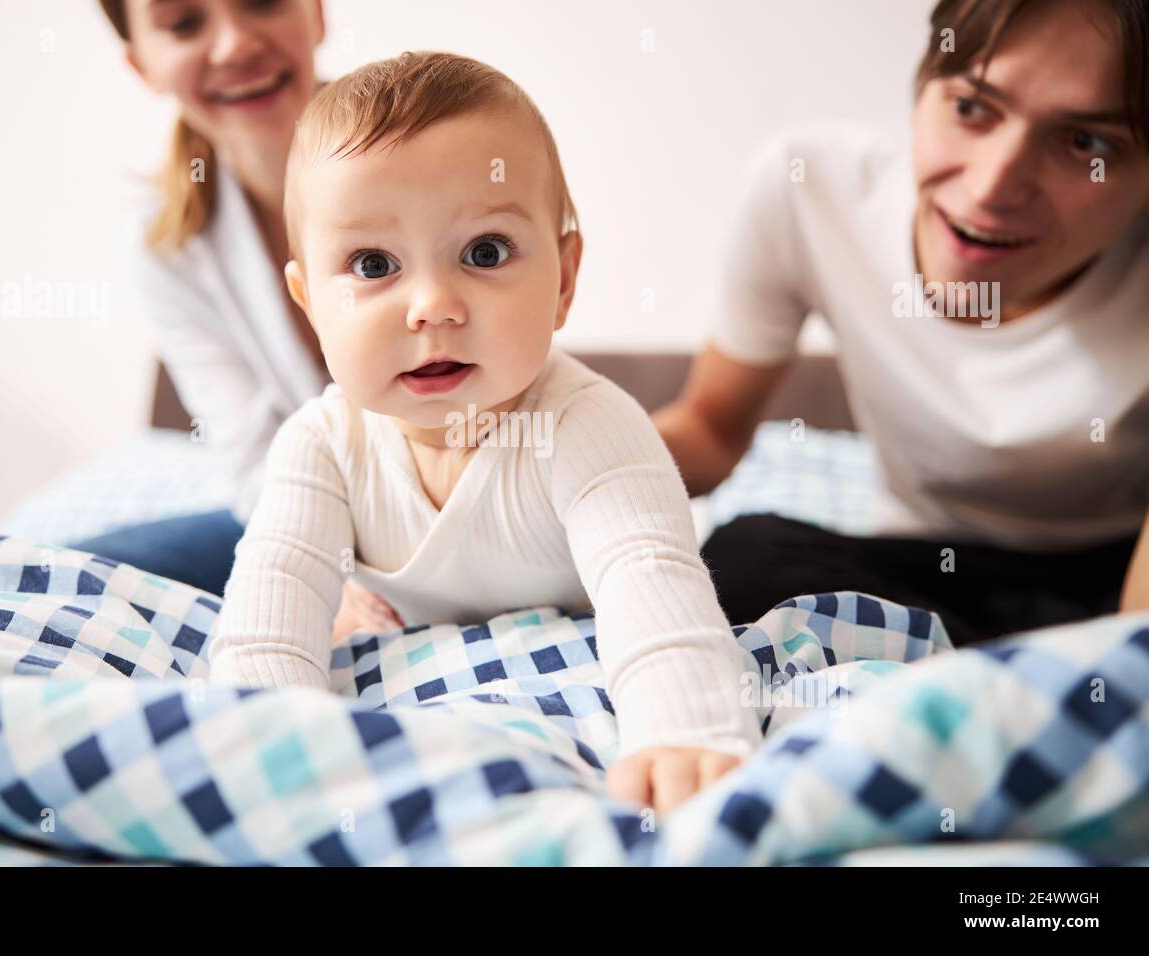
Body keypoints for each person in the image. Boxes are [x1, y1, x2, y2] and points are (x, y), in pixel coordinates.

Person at [207, 52, 763, 815]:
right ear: (308, 302)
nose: (432, 306)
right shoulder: (322, 444)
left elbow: (649, 581)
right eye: (373, 264)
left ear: (563, 281)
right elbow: (269, 617)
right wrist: (263, 749)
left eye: (485, 252)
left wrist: (688, 732)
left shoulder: (585, 427)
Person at [655, 0, 1149, 645]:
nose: (993, 187)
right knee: (743, 559)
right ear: (923, 88)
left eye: (1086, 142)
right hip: (923, 564)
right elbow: (711, 429)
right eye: (972, 107)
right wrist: (536, 478)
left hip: (1120, 568)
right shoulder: (810, 188)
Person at [84, 0, 402, 638]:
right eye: (183, 24)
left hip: (450, 496)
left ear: (314, 12)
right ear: (141, 64)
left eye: (260, 1)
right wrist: (321, 574)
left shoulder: (420, 153)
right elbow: (254, 457)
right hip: (305, 511)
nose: (233, 45)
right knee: (73, 568)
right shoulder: (167, 243)